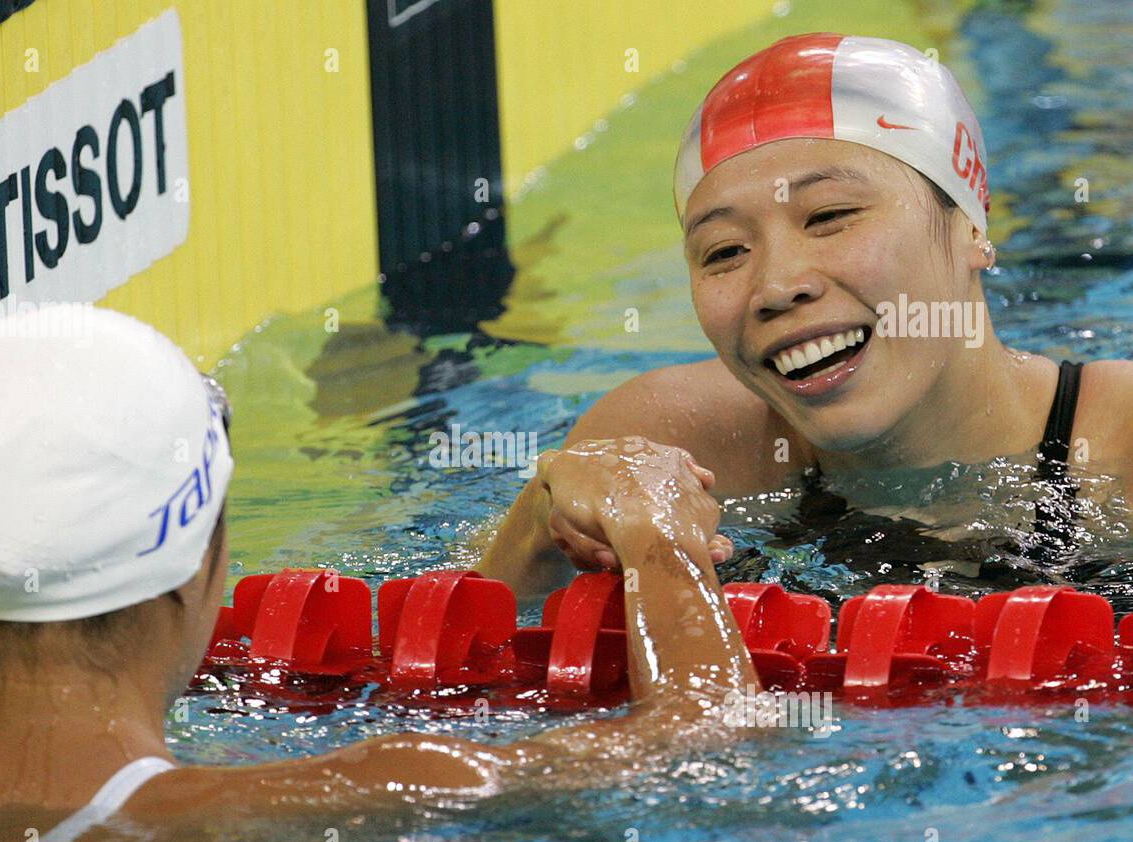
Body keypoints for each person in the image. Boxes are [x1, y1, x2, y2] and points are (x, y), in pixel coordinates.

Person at [0, 304, 754, 842]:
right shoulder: (349, 793)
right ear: (204, 561)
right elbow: (705, 735)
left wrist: (523, 537)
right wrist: (662, 538)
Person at [478, 33, 1133, 595]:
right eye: (725, 251)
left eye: (830, 216)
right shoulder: (674, 441)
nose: (777, 285)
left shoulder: (1121, 447)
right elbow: (454, 651)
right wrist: (536, 530)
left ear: (969, 226)